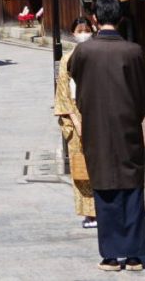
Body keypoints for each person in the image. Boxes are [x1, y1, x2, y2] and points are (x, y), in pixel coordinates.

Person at [67, 0, 145, 272]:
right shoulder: (133, 51)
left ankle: (111, 256)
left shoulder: (84, 52)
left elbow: (75, 78)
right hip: (127, 126)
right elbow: (142, 93)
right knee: (131, 187)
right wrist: (133, 115)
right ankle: (134, 255)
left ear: (94, 19)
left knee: (104, 189)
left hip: (97, 128)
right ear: (121, 18)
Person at [54, 15, 98, 226]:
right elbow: (62, 93)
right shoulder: (67, 59)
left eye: (86, 30)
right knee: (81, 167)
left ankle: (103, 210)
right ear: (73, 34)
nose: (83, 34)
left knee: (100, 164)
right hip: (75, 116)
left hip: (97, 114)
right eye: (79, 31)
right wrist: (75, 120)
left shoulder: (99, 55)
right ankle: (89, 214)